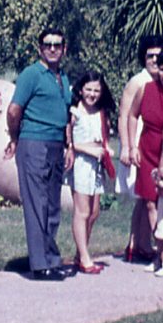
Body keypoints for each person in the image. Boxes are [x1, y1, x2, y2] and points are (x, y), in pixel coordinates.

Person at [5, 27, 74, 281]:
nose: (53, 48)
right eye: (48, 44)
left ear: (64, 49)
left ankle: (51, 258)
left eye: (57, 44)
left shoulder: (63, 78)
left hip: (57, 144)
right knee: (37, 203)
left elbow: (67, 115)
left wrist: (70, 146)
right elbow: (14, 111)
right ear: (40, 48)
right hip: (34, 142)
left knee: (53, 204)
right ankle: (39, 264)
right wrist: (15, 137)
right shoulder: (31, 75)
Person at [128, 50, 163, 275]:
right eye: (160, 68)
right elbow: (131, 115)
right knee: (151, 202)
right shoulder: (145, 89)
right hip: (148, 148)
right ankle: (162, 256)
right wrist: (131, 146)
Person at [119, 36, 163, 263]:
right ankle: (147, 247)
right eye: (150, 56)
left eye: (159, 55)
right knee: (146, 198)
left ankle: (137, 244)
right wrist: (127, 147)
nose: (155, 60)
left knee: (147, 199)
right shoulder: (138, 82)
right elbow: (125, 115)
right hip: (141, 146)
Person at [65, 71, 114, 274]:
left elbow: (104, 137)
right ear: (81, 89)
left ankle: (80, 253)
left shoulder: (101, 112)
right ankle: (85, 259)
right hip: (81, 165)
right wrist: (87, 149)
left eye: (96, 90)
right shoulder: (75, 111)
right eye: (88, 89)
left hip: (96, 167)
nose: (92, 94)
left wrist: (106, 149)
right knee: (82, 212)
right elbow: (67, 142)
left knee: (94, 213)